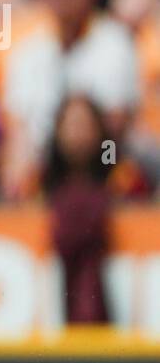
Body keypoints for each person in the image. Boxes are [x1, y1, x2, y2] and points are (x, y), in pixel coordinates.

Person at [1, 0, 140, 199]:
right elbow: (20, 128)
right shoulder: (28, 52)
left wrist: (108, 172)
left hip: (102, 158)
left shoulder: (114, 42)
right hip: (45, 166)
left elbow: (116, 124)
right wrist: (18, 176)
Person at [45, 96, 114, 325]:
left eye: (85, 125)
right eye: (72, 125)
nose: (78, 134)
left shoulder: (120, 177)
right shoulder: (41, 181)